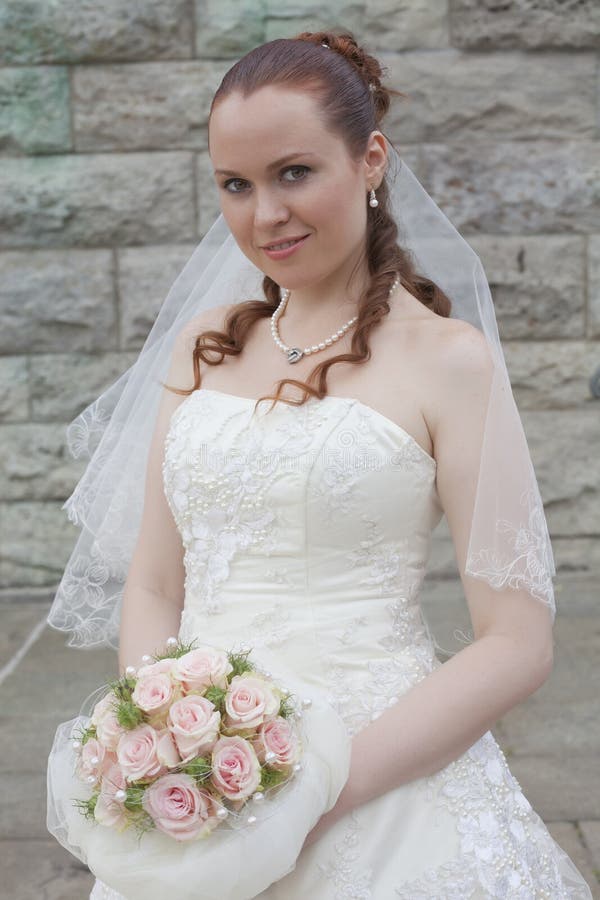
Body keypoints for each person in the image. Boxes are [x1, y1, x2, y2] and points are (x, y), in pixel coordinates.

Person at [53, 29, 591, 900]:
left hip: (377, 767)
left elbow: (517, 643)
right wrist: (160, 744)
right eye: (236, 184)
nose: (265, 214)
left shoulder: (447, 361)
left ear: (371, 158)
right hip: (204, 790)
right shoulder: (206, 347)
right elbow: (154, 585)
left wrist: (317, 790)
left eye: (294, 173)